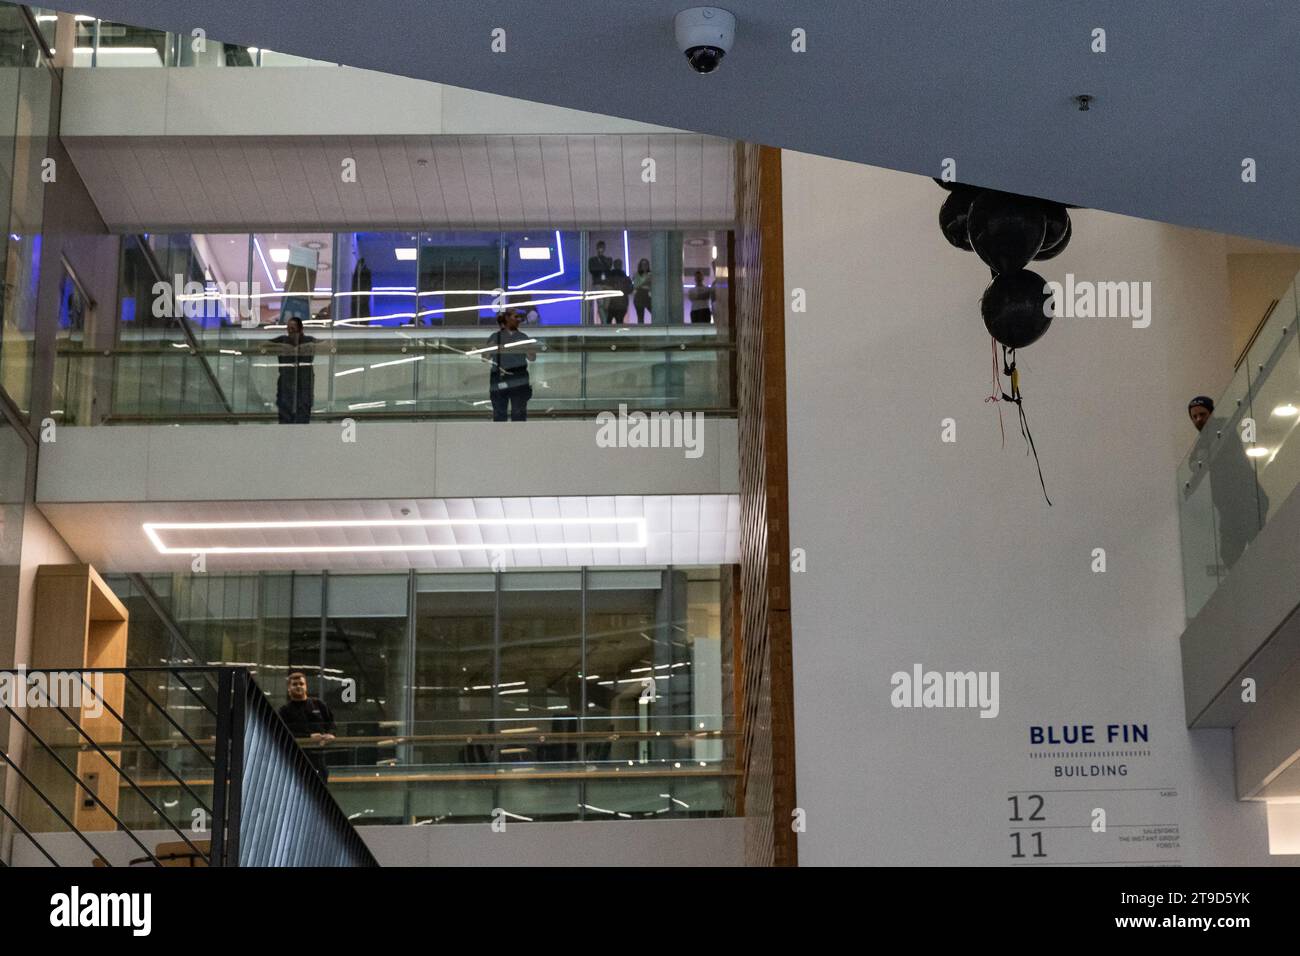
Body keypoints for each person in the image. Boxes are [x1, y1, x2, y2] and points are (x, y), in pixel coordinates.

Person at [1188, 395, 1268, 572]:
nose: (1198, 420)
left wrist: (1199, 457)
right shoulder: (1205, 438)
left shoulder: (1221, 426)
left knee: (1250, 544)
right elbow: (1193, 460)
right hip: (1230, 505)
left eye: (1201, 414)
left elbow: (1200, 454)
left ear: (1211, 413)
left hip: (1244, 498)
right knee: (1230, 553)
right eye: (1194, 417)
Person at [278, 671, 336, 781]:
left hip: (319, 756)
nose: (298, 686)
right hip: (295, 757)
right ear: (289, 689)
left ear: (306, 687)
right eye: (294, 684)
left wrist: (331, 734)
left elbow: (331, 723)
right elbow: (283, 733)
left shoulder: (319, 704)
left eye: (301, 683)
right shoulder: (284, 711)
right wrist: (308, 737)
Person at [487, 308, 537, 421]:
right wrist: (490, 348)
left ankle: (517, 436)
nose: (518, 320)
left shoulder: (523, 337)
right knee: (500, 412)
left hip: (517, 377)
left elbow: (532, 357)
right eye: (516, 317)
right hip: (502, 376)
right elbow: (485, 358)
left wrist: (526, 348)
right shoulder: (496, 337)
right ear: (507, 318)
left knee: (518, 412)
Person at [270, 316, 317, 423]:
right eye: (288, 329)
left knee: (303, 419)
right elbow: (262, 345)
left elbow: (328, 345)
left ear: (300, 330)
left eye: (293, 329)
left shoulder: (309, 340)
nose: (290, 332)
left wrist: (307, 347)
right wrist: (282, 347)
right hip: (286, 387)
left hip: (304, 387)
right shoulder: (283, 340)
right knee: (285, 419)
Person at [587, 241, 613, 324]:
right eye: (599, 247)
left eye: (602, 247)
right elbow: (592, 270)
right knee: (601, 305)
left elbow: (608, 267)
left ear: (604, 248)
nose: (600, 249)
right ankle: (604, 323)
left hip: (607, 284)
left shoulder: (608, 259)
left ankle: (605, 322)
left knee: (606, 306)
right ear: (596, 248)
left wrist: (602, 258)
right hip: (598, 283)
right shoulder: (592, 260)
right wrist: (601, 268)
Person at [607, 258, 633, 324]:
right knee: (619, 322)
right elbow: (630, 289)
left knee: (608, 322)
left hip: (612, 304)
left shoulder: (609, 276)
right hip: (621, 304)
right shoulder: (625, 277)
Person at [632, 258, 652, 324]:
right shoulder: (637, 274)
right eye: (643, 264)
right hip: (639, 296)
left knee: (656, 314)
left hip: (648, 296)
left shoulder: (651, 274)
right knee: (640, 317)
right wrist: (645, 282)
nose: (644, 266)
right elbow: (635, 286)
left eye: (646, 264)